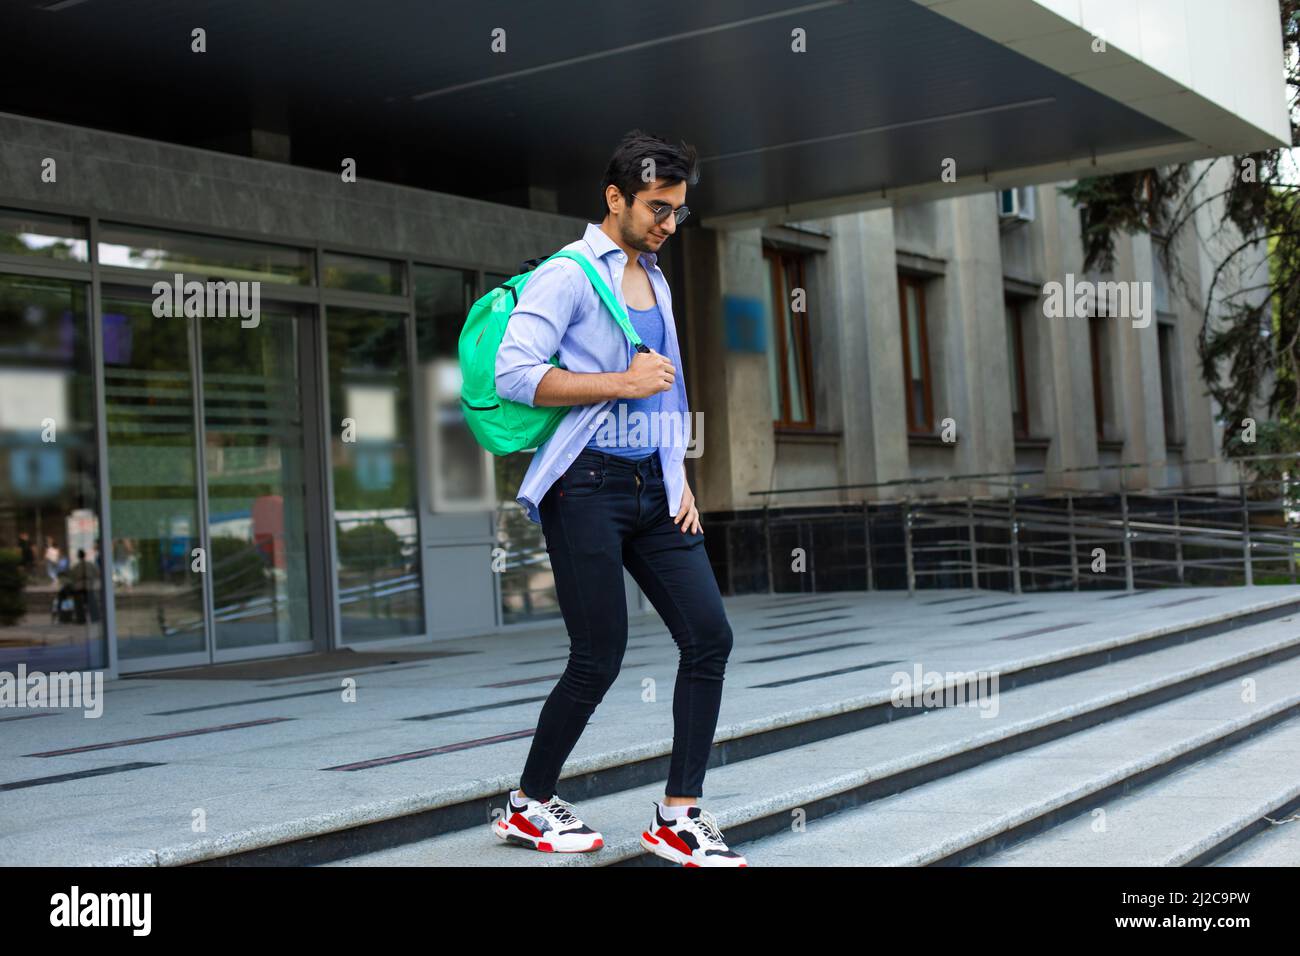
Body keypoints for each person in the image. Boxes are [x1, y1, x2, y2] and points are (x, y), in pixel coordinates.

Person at [490, 129, 745, 866]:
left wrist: (679, 474)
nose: (669, 224)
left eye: (679, 212)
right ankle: (528, 804)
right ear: (615, 198)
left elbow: (669, 383)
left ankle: (679, 814)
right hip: (586, 487)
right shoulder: (567, 275)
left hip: (653, 489)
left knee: (709, 636)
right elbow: (515, 374)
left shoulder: (656, 277)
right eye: (658, 209)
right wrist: (620, 384)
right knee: (599, 655)